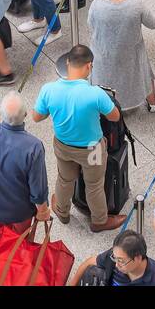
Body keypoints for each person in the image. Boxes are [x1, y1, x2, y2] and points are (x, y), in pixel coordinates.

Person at [32, 43, 125, 230]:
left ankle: (62, 211)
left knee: (65, 179)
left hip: (63, 145)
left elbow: (37, 117)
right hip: (92, 147)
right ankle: (99, 221)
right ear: (89, 66)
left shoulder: (49, 90)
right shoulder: (95, 94)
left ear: (67, 62)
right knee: (95, 184)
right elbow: (114, 116)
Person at [87, 0, 155, 110]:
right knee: (145, 76)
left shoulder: (96, 5)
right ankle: (152, 104)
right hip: (132, 55)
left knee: (103, 82)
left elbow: (91, 25)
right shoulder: (136, 4)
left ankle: (105, 109)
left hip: (104, 58)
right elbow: (153, 23)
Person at [0, 94, 50, 231]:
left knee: (1, 241)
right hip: (20, 213)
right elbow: (38, 189)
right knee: (19, 245)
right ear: (25, 114)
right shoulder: (33, 147)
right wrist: (43, 211)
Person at [71, 230, 155, 285]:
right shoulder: (116, 256)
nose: (116, 264)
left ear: (137, 258)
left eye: (121, 261)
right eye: (115, 258)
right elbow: (89, 262)